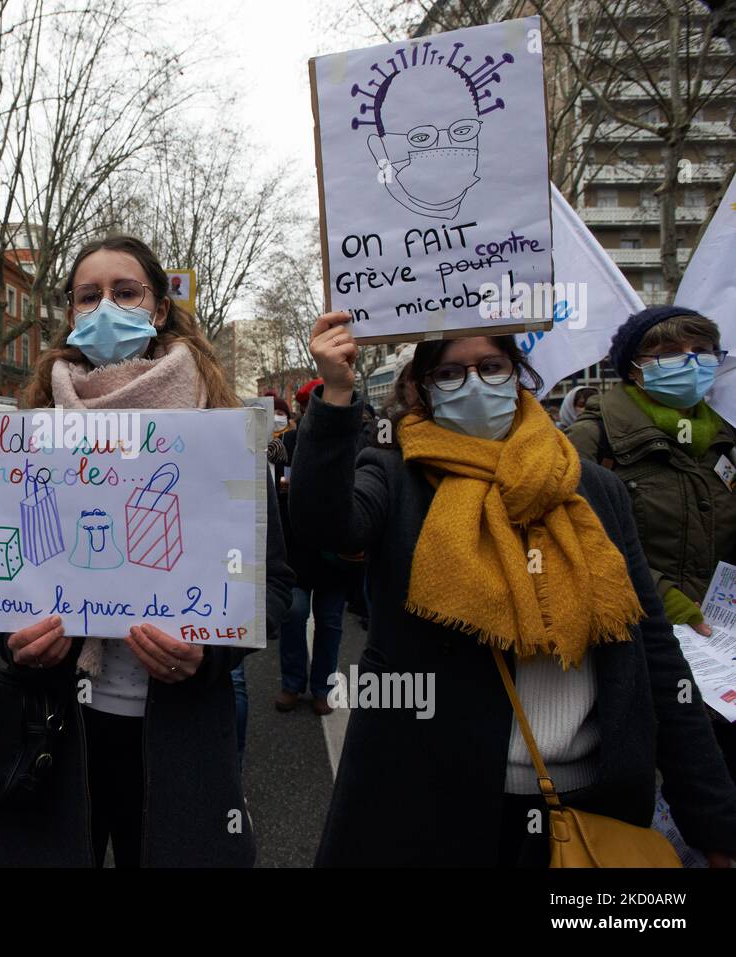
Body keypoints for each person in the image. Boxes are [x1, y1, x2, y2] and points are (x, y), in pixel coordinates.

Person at [293, 310, 736, 867]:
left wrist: (714, 822)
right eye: (450, 373)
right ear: (425, 389)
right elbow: (322, 525)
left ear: (518, 372)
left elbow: (655, 653)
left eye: (491, 365)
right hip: (430, 803)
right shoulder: (394, 473)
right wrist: (335, 395)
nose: (474, 382)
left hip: (589, 807)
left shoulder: (590, 486)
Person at [0, 235, 293, 867]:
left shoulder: (222, 431)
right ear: (69, 314)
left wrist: (210, 653)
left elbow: (274, 585)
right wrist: (17, 639)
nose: (105, 307)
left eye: (125, 292)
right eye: (87, 296)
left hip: (178, 733)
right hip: (58, 731)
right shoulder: (27, 429)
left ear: (158, 309)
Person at [566, 306, 736, 778]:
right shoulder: (592, 440)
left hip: (721, 652)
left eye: (701, 352)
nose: (690, 362)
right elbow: (585, 539)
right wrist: (668, 603)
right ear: (635, 368)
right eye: (668, 353)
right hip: (637, 645)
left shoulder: (724, 439)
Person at [274, 378, 350, 716]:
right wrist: (283, 491)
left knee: (330, 622)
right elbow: (270, 488)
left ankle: (322, 688)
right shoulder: (288, 442)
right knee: (293, 614)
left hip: (335, 554)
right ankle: (292, 683)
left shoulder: (349, 442)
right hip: (297, 552)